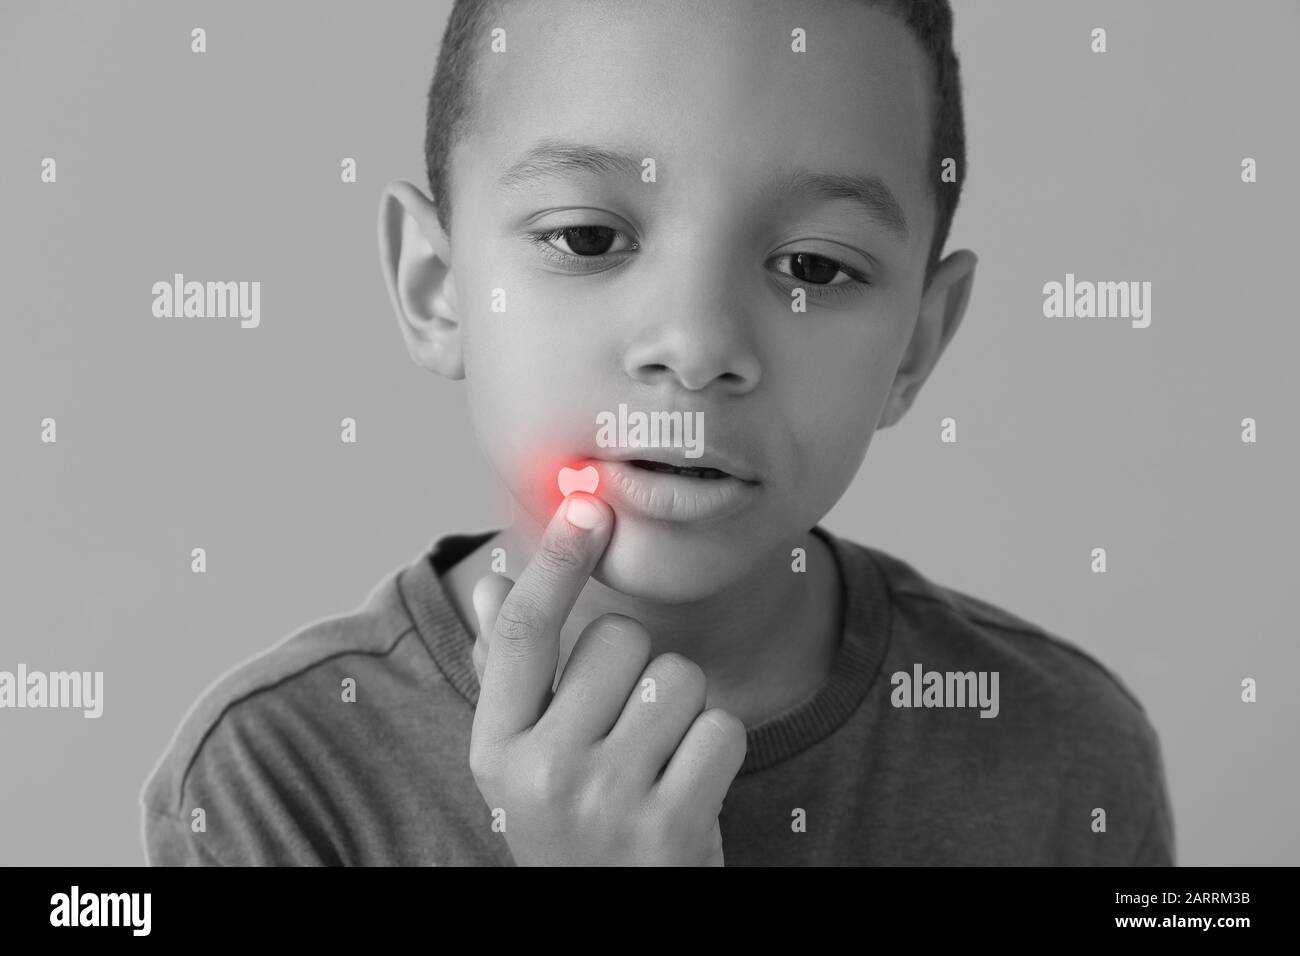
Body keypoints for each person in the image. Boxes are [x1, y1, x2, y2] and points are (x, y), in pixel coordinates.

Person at [140, 0, 1175, 865]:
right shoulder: (273, 784)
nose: (696, 345)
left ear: (915, 343)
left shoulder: (1061, 752)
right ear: (436, 286)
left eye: (815, 267)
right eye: (586, 237)